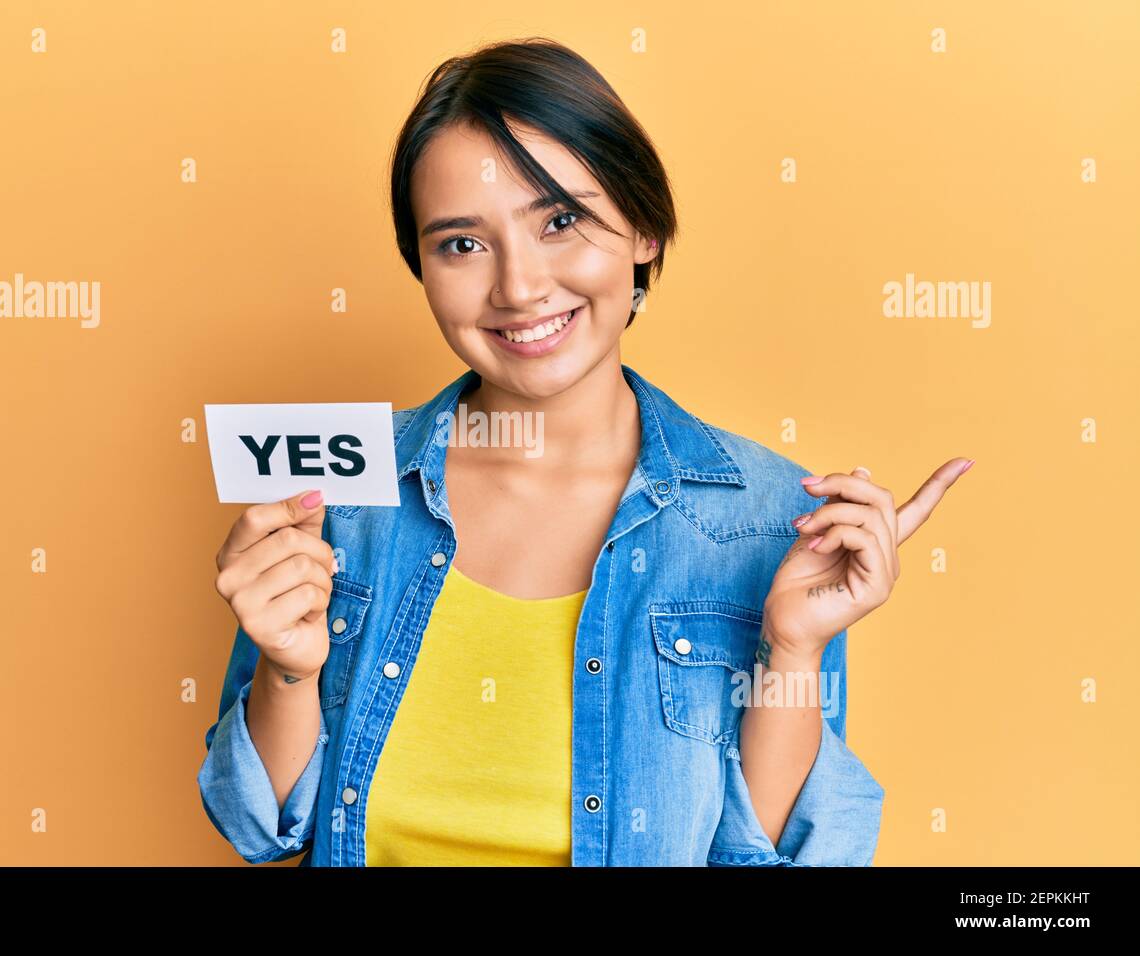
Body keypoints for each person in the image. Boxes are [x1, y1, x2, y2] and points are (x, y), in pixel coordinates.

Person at [199, 37, 971, 866]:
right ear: (420, 267)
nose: (520, 286)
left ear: (641, 227)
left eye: (561, 221)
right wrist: (285, 671)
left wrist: (793, 651)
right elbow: (258, 829)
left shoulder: (769, 519)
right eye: (461, 243)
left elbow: (777, 860)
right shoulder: (337, 491)